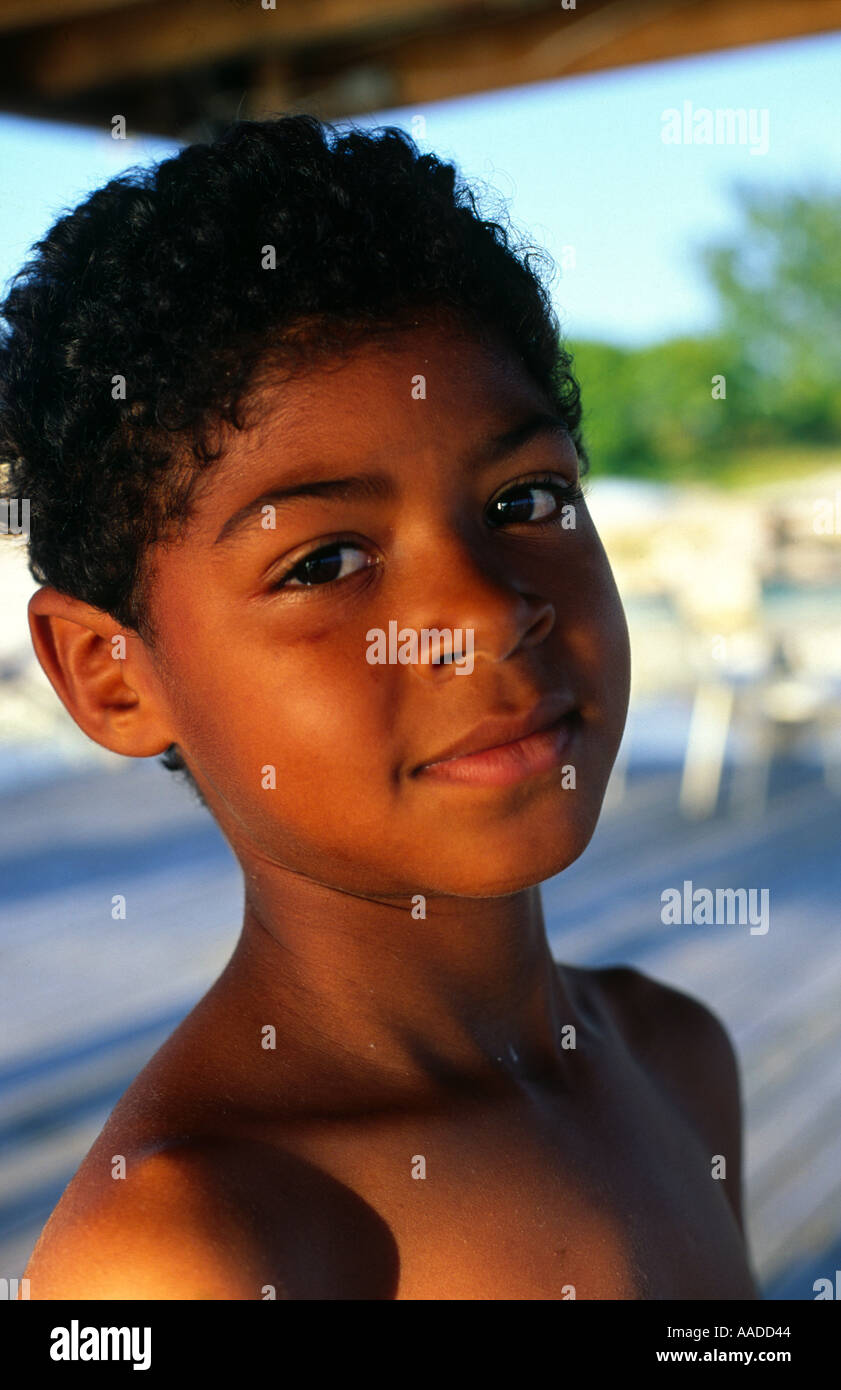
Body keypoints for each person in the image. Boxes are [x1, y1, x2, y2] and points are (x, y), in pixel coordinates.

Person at [1, 114, 758, 1299]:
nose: (483, 613)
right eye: (323, 563)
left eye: (526, 497)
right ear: (109, 671)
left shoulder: (674, 1060)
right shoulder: (193, 1250)